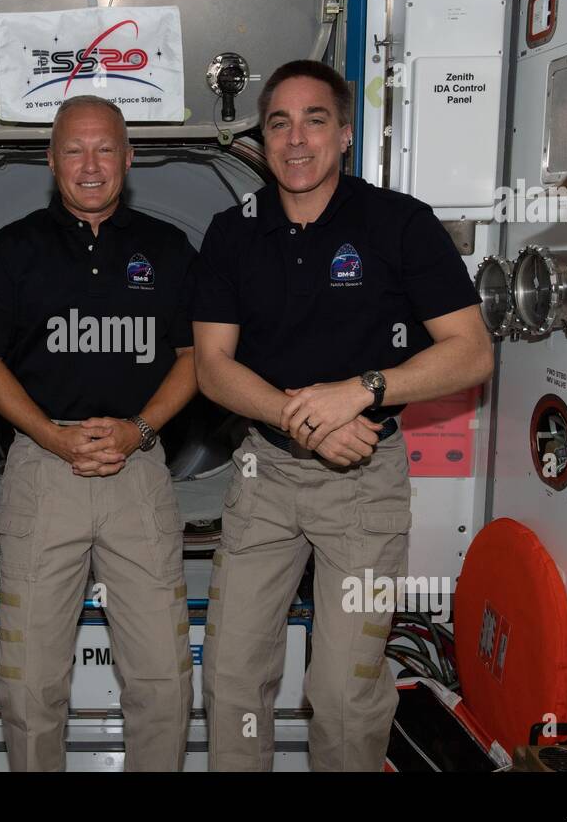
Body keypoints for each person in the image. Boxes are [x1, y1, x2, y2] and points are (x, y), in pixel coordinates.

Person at [192, 59, 493, 771]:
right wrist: (307, 417)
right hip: (264, 476)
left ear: (347, 134)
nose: (297, 139)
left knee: (343, 693)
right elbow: (212, 366)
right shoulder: (231, 233)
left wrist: (361, 391)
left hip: (365, 482)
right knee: (231, 676)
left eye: (316, 120)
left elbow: (471, 353)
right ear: (263, 140)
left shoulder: (399, 224)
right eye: (279, 123)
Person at [0, 95, 198, 771]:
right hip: (46, 468)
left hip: (139, 466)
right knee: (30, 676)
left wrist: (138, 430)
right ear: (51, 161)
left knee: (162, 674)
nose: (91, 164)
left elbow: (195, 361)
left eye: (106, 148)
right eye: (75, 149)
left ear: (129, 159)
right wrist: (50, 434)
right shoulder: (12, 249)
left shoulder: (167, 248)